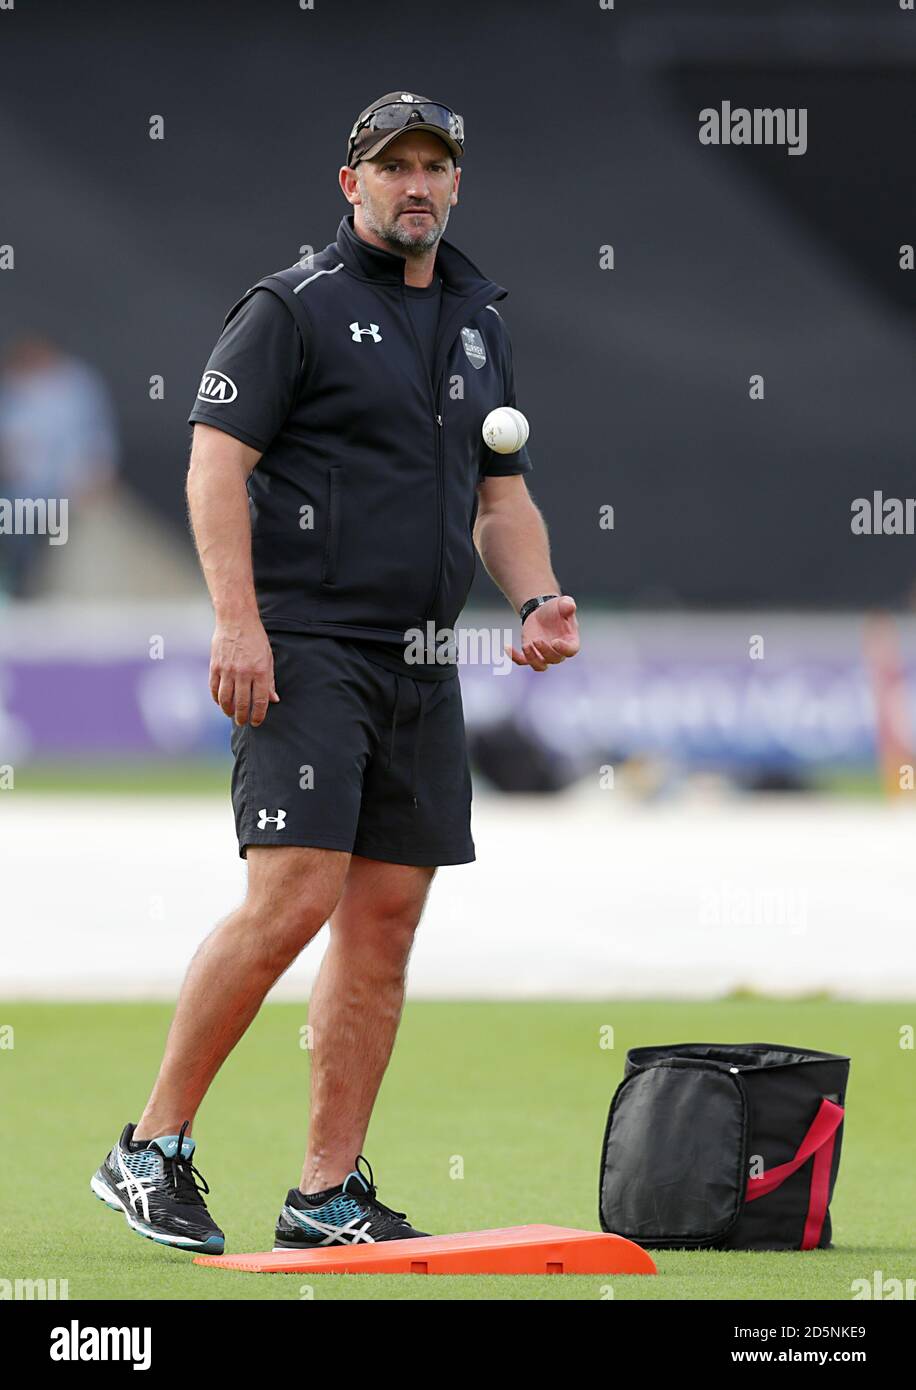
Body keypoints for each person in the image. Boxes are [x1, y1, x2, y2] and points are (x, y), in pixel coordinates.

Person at [91, 92, 579, 1254]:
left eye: (434, 166)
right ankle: (148, 1146)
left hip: (420, 659)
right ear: (349, 183)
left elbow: (498, 496)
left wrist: (539, 594)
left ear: (455, 184)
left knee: (385, 921)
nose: (416, 183)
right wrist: (237, 623)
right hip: (304, 644)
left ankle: (325, 1193)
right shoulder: (291, 308)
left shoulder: (476, 320)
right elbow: (215, 466)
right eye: (392, 165)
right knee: (294, 895)